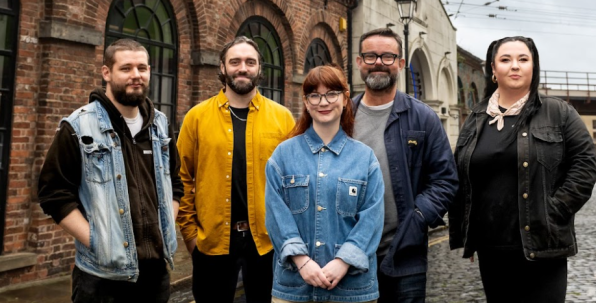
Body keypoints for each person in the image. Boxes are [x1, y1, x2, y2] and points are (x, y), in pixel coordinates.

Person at [449, 36, 596, 303]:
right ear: (493, 70)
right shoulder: (475, 119)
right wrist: (467, 231)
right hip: (491, 249)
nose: (514, 66)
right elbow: (462, 176)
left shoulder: (559, 113)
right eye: (505, 60)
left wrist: (555, 210)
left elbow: (585, 165)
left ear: (533, 67)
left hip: (542, 244)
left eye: (523, 59)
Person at [38, 39, 182, 303]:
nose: (136, 75)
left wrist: (165, 228)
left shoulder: (160, 126)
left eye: (142, 68)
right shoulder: (78, 126)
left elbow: (176, 183)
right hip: (102, 279)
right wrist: (97, 241)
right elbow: (53, 194)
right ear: (107, 72)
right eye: (126, 68)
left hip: (155, 274)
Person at [176, 36, 295, 303]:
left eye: (250, 62)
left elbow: (294, 181)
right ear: (222, 67)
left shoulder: (282, 118)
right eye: (235, 61)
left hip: (267, 244)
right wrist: (191, 235)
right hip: (212, 243)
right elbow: (181, 177)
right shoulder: (197, 117)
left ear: (259, 69)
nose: (243, 68)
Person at [351, 28, 458, 303]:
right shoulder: (342, 117)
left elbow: (445, 180)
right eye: (371, 55)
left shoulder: (423, 118)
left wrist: (418, 218)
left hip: (404, 252)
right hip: (348, 252)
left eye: (387, 56)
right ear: (359, 62)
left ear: (400, 63)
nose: (378, 62)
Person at [266, 65, 384, 303]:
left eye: (331, 93)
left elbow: (372, 219)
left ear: (344, 98)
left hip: (352, 289)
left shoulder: (365, 158)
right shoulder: (282, 156)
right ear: (306, 103)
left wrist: (343, 261)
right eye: (315, 95)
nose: (323, 102)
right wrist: (302, 261)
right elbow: (277, 216)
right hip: (294, 287)